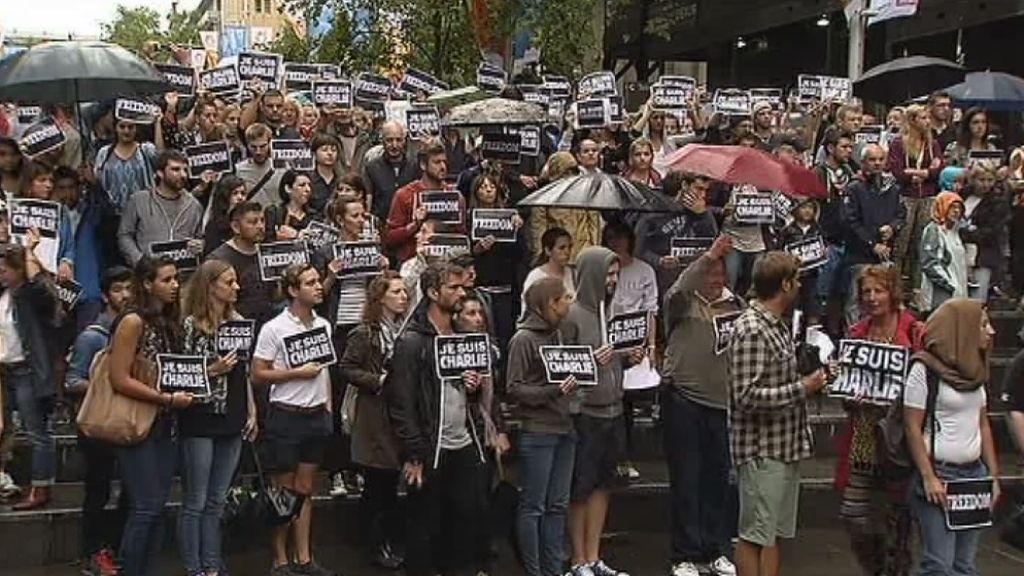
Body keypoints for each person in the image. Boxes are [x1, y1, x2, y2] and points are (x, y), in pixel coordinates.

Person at [728, 252, 829, 576]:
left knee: (772, 535)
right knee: (754, 535)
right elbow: (745, 396)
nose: (800, 285)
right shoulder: (752, 328)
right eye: (796, 280)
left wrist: (815, 376)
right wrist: (804, 387)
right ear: (784, 285)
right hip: (761, 450)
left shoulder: (776, 325)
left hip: (785, 445)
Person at [387, 261, 490, 576]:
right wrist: (414, 453)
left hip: (463, 442)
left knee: (463, 525)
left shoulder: (461, 335)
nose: (462, 293)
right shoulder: (411, 342)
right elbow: (401, 404)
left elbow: (465, 393)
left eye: (462, 287)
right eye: (453, 288)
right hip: (430, 449)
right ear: (432, 292)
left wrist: (472, 387)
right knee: (424, 528)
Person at [834, 265, 923, 576]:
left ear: (893, 293)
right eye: (866, 292)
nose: (872, 298)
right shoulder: (856, 333)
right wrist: (848, 393)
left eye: (879, 291)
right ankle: (875, 569)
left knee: (897, 523)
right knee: (853, 516)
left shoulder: (914, 332)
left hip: (899, 442)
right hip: (862, 438)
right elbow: (846, 390)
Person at [661, 236, 741, 576]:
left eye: (720, 273)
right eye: (709, 273)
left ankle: (713, 549)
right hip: (683, 401)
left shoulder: (736, 306)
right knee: (687, 479)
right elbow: (677, 289)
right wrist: (709, 255)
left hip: (720, 403)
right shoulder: (681, 302)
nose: (714, 279)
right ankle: (684, 554)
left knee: (716, 480)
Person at [904, 298, 1000, 576]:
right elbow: (912, 427)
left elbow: (982, 425)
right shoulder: (924, 371)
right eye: (983, 324)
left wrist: (992, 475)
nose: (991, 331)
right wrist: (928, 476)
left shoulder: (976, 370)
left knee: (964, 566)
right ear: (962, 330)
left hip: (973, 476)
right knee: (939, 565)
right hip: (941, 475)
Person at [110, 256, 193, 576]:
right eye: (166, 279)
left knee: (156, 508)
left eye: (176, 279)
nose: (174, 286)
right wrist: (165, 398)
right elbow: (119, 377)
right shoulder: (133, 321)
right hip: (137, 422)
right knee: (145, 507)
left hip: (165, 423)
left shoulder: (168, 320)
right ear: (147, 283)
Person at [251, 263, 335, 576]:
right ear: (292, 290)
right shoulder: (274, 328)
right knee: (282, 493)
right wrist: (295, 373)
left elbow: (324, 370)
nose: (318, 287)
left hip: (316, 416)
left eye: (318, 281)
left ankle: (304, 557)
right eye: (310, 282)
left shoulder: (324, 325)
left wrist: (327, 407)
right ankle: (280, 559)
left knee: (305, 490)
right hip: (286, 416)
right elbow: (257, 374)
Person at [563, 246, 642, 576]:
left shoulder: (616, 311)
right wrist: (592, 361)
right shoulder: (571, 315)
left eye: (615, 273)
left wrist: (629, 356)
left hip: (614, 410)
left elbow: (619, 356)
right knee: (580, 487)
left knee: (603, 486)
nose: (612, 280)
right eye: (607, 274)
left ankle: (594, 556)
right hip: (585, 413)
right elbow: (562, 365)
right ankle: (578, 558)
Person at [178, 260, 258, 576]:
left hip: (233, 415)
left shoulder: (239, 322)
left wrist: (252, 411)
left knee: (217, 499)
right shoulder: (190, 324)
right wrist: (212, 370)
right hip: (200, 415)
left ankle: (212, 563)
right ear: (211, 285)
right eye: (229, 282)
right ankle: (194, 566)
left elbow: (245, 372)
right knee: (195, 500)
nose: (236, 288)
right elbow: (178, 372)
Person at [507, 277, 579, 576]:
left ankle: (554, 569)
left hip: (565, 427)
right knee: (533, 505)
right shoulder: (523, 339)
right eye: (564, 298)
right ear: (549, 303)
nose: (568, 303)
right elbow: (513, 388)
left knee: (558, 505)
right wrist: (554, 391)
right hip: (537, 430)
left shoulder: (562, 333)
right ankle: (534, 571)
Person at [66, 266, 134, 576]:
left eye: (130, 288)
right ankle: (91, 552)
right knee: (98, 490)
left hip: (127, 423)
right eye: (119, 289)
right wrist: (107, 380)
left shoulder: (135, 330)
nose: (126, 295)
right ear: (106, 295)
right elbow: (71, 382)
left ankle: (116, 548)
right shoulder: (92, 337)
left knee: (130, 490)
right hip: (97, 425)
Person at [339, 272, 409, 570]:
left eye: (405, 291)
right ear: (379, 298)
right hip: (373, 416)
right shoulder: (365, 333)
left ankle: (387, 540)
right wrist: (377, 380)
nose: (403, 296)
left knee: (390, 486)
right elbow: (347, 368)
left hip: (397, 417)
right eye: (396, 292)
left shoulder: (404, 331)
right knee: (377, 486)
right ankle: (372, 544)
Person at [0, 232, 61, 511]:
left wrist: (29, 253)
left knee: (38, 432)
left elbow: (43, 288)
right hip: (4, 371)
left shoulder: (32, 296)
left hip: (27, 371)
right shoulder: (3, 296)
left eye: (4, 269)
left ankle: (41, 486)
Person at [841, 144, 906, 326]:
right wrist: (872, 244)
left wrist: (893, 227)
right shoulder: (854, 188)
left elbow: (901, 214)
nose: (877, 163)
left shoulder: (892, 188)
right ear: (863, 163)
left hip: (885, 255)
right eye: (872, 160)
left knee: (886, 301)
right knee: (856, 301)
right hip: (859, 256)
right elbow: (850, 222)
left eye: (880, 159)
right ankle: (853, 339)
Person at [889, 104, 944, 299]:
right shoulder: (898, 143)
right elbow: (896, 169)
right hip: (906, 196)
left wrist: (923, 173)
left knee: (922, 242)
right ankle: (893, 285)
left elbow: (938, 168)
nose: (928, 122)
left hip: (927, 196)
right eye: (923, 118)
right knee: (901, 242)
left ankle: (918, 288)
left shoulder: (933, 144)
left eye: (928, 118)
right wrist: (915, 174)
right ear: (913, 120)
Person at [634, 171, 719, 295]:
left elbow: (712, 241)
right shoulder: (654, 210)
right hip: (660, 278)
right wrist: (659, 260)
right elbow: (638, 248)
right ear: (684, 185)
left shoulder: (701, 211)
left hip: (690, 275)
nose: (703, 195)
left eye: (706, 190)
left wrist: (703, 215)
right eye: (699, 189)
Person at [467, 172, 525, 349]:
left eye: (491, 186)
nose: (488, 190)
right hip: (481, 286)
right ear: (476, 192)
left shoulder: (509, 217)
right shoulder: (470, 219)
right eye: (483, 187)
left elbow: (522, 252)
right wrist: (477, 250)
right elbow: (462, 254)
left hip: (505, 287)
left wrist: (518, 229)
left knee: (505, 335)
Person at [118, 150, 204, 266]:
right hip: (149, 276)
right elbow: (124, 235)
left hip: (185, 274)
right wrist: (139, 261)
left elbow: (200, 236)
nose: (183, 175)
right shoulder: (138, 201)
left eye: (185, 170)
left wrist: (200, 245)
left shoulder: (194, 205)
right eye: (175, 169)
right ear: (160, 173)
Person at [385, 141, 465, 263]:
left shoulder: (455, 196)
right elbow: (389, 238)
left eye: (444, 162)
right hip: (412, 265)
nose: (443, 167)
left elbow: (461, 236)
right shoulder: (404, 195)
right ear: (423, 165)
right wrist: (414, 225)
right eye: (437, 162)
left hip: (446, 265)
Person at [206, 201, 276, 327]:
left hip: (267, 324)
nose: (260, 226)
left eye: (262, 220)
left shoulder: (268, 253)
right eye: (253, 222)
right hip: (235, 327)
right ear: (236, 227)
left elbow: (275, 295)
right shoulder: (218, 259)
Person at [529, 151, 601, 263]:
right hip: (556, 258)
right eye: (565, 173)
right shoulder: (544, 200)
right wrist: (542, 259)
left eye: (572, 173)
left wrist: (594, 252)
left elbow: (594, 226)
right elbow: (539, 232)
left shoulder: (586, 196)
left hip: (583, 256)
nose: (569, 177)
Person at [959, 164, 1008, 302]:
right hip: (960, 253)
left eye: (989, 180)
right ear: (973, 179)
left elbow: (992, 231)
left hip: (983, 255)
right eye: (982, 180)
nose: (986, 184)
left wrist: (965, 234)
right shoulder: (963, 194)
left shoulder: (998, 201)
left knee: (977, 299)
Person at [94, 119, 158, 214]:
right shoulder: (104, 153)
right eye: (122, 127)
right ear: (116, 128)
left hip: (143, 213)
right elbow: (98, 181)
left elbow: (162, 158)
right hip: (112, 215)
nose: (126, 131)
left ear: (136, 129)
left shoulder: (146, 150)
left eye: (130, 127)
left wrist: (158, 124)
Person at [361, 120, 420, 223]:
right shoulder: (372, 167)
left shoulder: (415, 166)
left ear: (404, 141)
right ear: (382, 140)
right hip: (381, 226)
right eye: (389, 140)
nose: (394, 145)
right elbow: (368, 197)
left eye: (398, 140)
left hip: (409, 226)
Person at [920, 191, 969, 313]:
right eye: (952, 207)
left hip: (958, 294)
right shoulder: (933, 230)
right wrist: (951, 285)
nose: (956, 211)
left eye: (959, 208)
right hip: (939, 296)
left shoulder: (957, 232)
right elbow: (930, 263)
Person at [522, 227, 575, 316]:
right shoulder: (535, 277)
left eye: (569, 247)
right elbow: (527, 310)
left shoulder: (574, 274)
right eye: (562, 248)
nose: (567, 252)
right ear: (548, 251)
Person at [235, 123, 284, 209]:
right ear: (247, 146)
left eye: (262, 146)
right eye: (253, 147)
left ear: (269, 144)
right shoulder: (239, 170)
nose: (258, 152)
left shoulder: (282, 167)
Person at [202, 175, 248, 256]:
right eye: (235, 193)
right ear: (225, 197)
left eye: (243, 193)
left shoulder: (251, 223)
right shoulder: (213, 226)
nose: (240, 197)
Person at [265, 170, 316, 242]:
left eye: (309, 185)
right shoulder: (274, 212)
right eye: (301, 185)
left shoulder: (314, 215)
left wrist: (296, 235)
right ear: (288, 188)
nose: (308, 189)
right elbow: (267, 241)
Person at [309, 132, 341, 215]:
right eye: (324, 150)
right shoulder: (308, 181)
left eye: (333, 150)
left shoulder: (341, 181)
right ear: (314, 154)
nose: (330, 153)